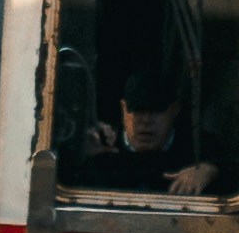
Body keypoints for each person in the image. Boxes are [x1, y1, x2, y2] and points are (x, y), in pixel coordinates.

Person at [80, 73, 216, 196]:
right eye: (138, 110)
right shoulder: (102, 146)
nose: (146, 120)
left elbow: (231, 170)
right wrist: (80, 156)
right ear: (123, 109)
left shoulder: (200, 149)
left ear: (175, 110)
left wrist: (209, 171)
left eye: (156, 110)